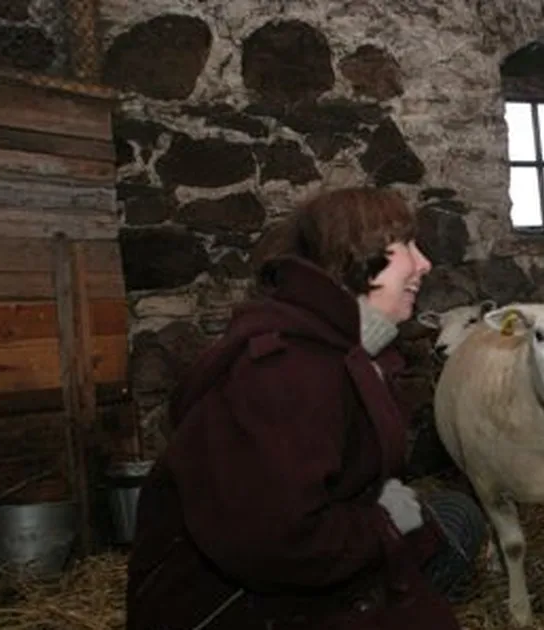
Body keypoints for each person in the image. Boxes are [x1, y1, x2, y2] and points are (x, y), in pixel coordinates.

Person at [125, 187, 486, 630]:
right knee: (442, 535)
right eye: (407, 246)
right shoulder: (287, 371)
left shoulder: (343, 351)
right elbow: (277, 543)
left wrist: (393, 512)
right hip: (240, 608)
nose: (425, 263)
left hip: (304, 574)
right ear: (360, 259)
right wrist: (388, 522)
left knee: (455, 515)